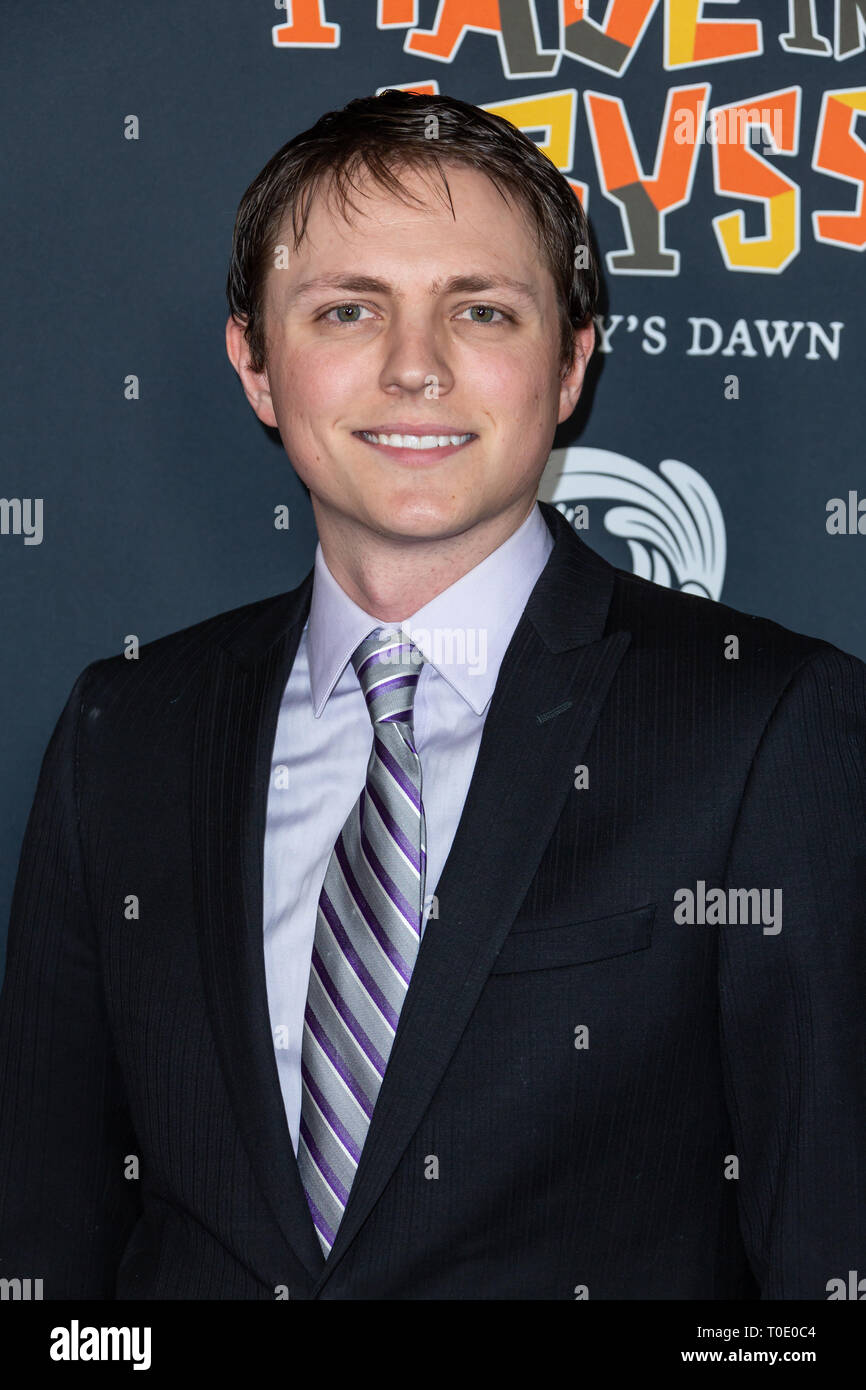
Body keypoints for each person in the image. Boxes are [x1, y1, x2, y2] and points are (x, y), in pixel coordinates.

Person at [0, 90, 864, 1301]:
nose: (415, 368)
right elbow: (43, 1238)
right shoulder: (124, 729)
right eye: (348, 310)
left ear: (568, 364)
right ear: (254, 362)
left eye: (482, 310)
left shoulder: (763, 724)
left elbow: (828, 1258)